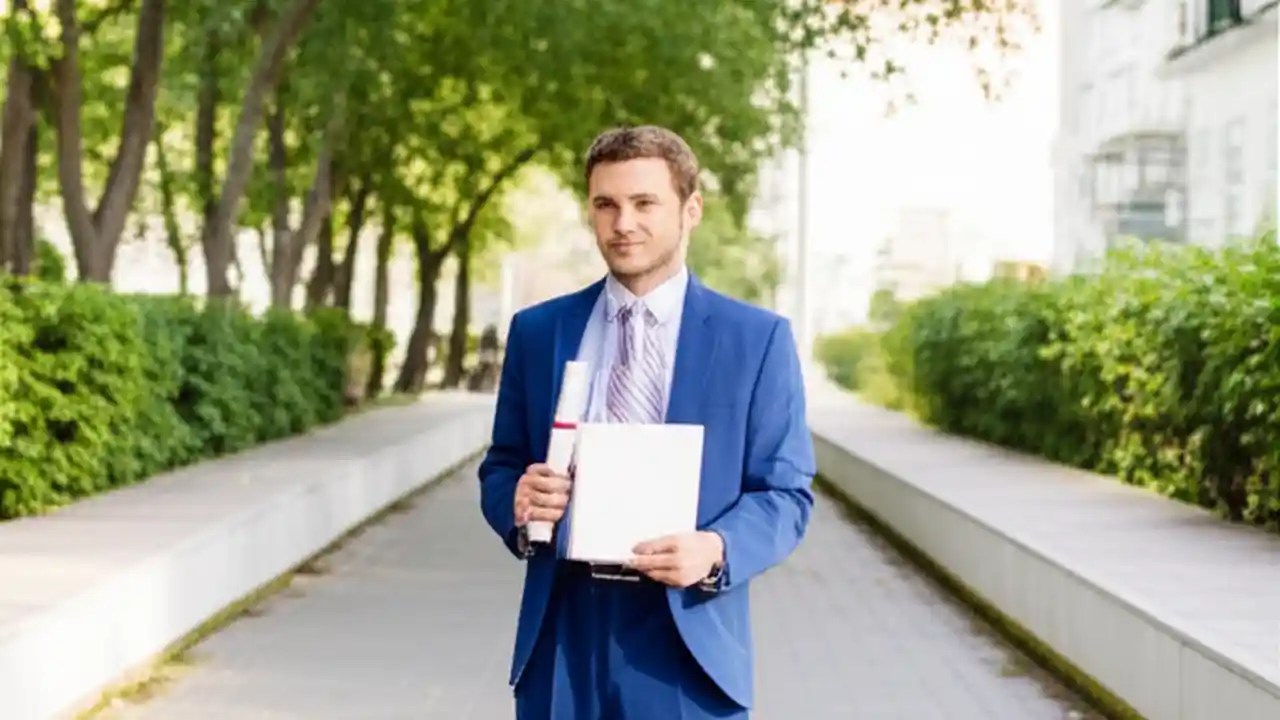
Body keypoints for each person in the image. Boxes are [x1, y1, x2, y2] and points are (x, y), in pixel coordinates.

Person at [478, 125, 815, 719]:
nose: (622, 223)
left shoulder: (756, 341)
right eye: (605, 205)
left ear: (691, 210)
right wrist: (518, 499)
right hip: (563, 635)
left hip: (687, 639)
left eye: (643, 203)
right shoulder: (539, 332)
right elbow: (501, 465)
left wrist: (717, 549)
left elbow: (785, 493)